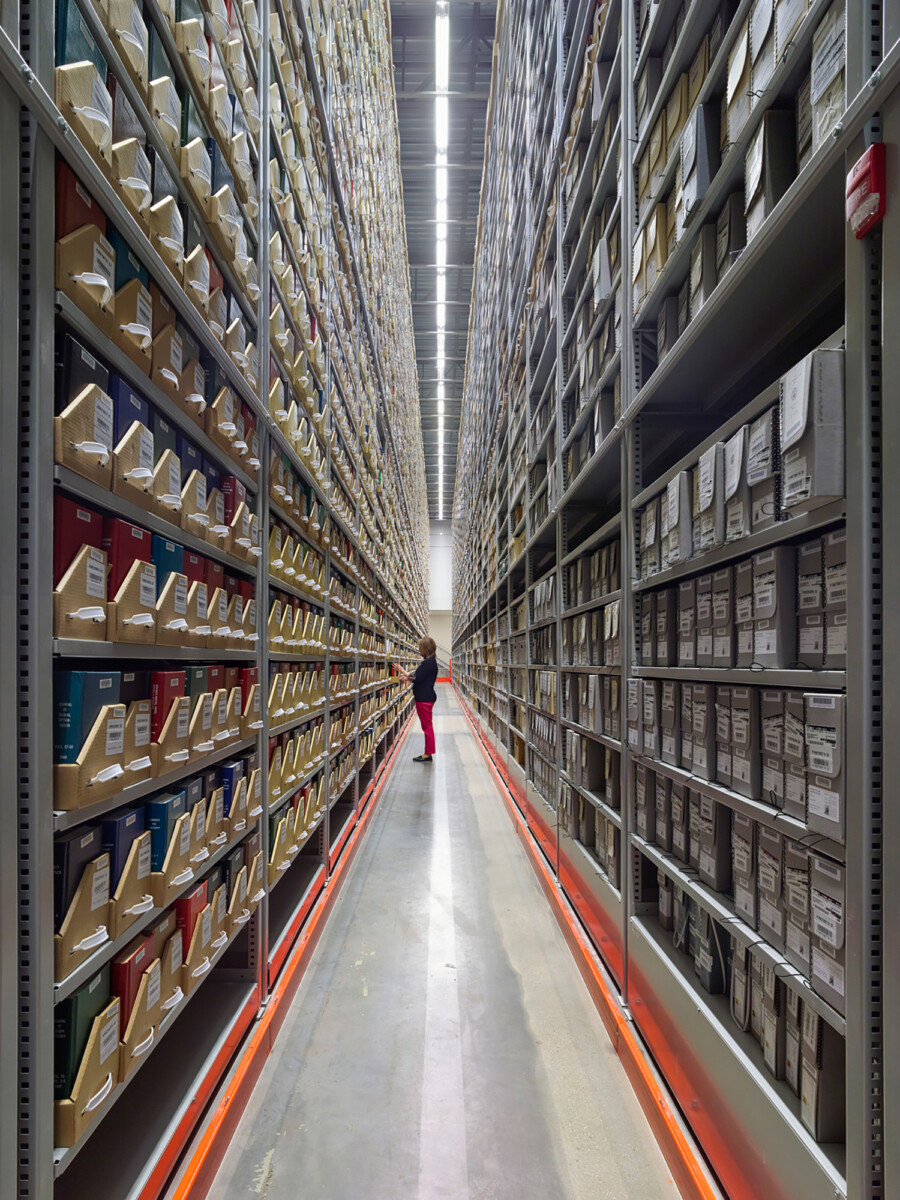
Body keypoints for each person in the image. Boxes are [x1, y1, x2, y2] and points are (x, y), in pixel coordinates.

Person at [394, 637, 438, 762]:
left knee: (427, 727)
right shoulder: (430, 662)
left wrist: (402, 671)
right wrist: (408, 679)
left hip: (424, 698)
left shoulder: (428, 663)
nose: (419, 650)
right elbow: (421, 678)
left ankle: (428, 754)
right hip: (425, 697)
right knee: (427, 726)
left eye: (420, 648)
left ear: (425, 649)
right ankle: (428, 752)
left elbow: (417, 677)